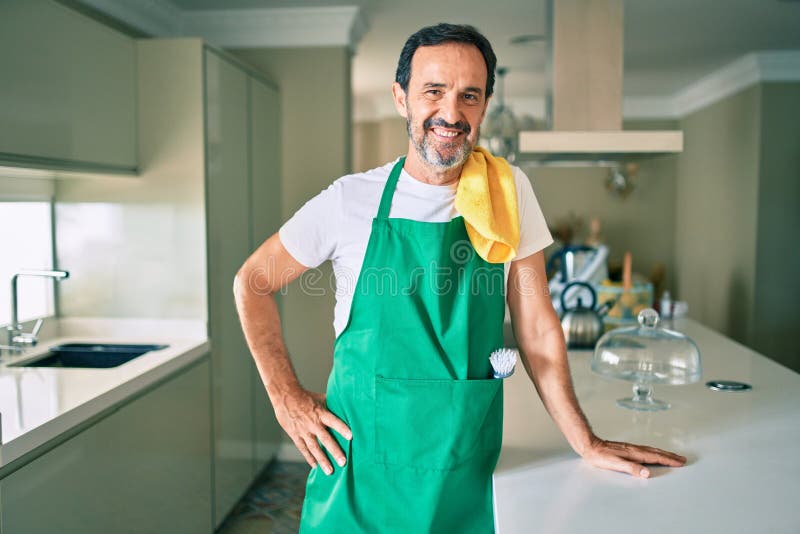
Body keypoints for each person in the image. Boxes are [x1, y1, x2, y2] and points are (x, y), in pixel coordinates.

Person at [233, 22, 686, 533]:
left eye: (469, 96)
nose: (451, 114)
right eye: (434, 92)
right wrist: (285, 395)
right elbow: (253, 282)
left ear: (485, 105)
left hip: (463, 474)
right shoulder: (349, 200)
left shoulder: (508, 192)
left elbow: (536, 326)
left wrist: (585, 440)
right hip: (358, 474)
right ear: (401, 97)